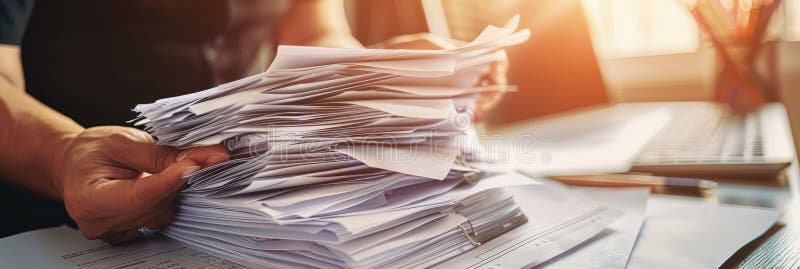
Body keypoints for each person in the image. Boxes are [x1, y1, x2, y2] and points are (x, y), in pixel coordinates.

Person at [0, 0, 506, 244]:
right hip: (59, 199)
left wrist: (376, 73)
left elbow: (314, 27)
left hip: (241, 195)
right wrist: (63, 152)